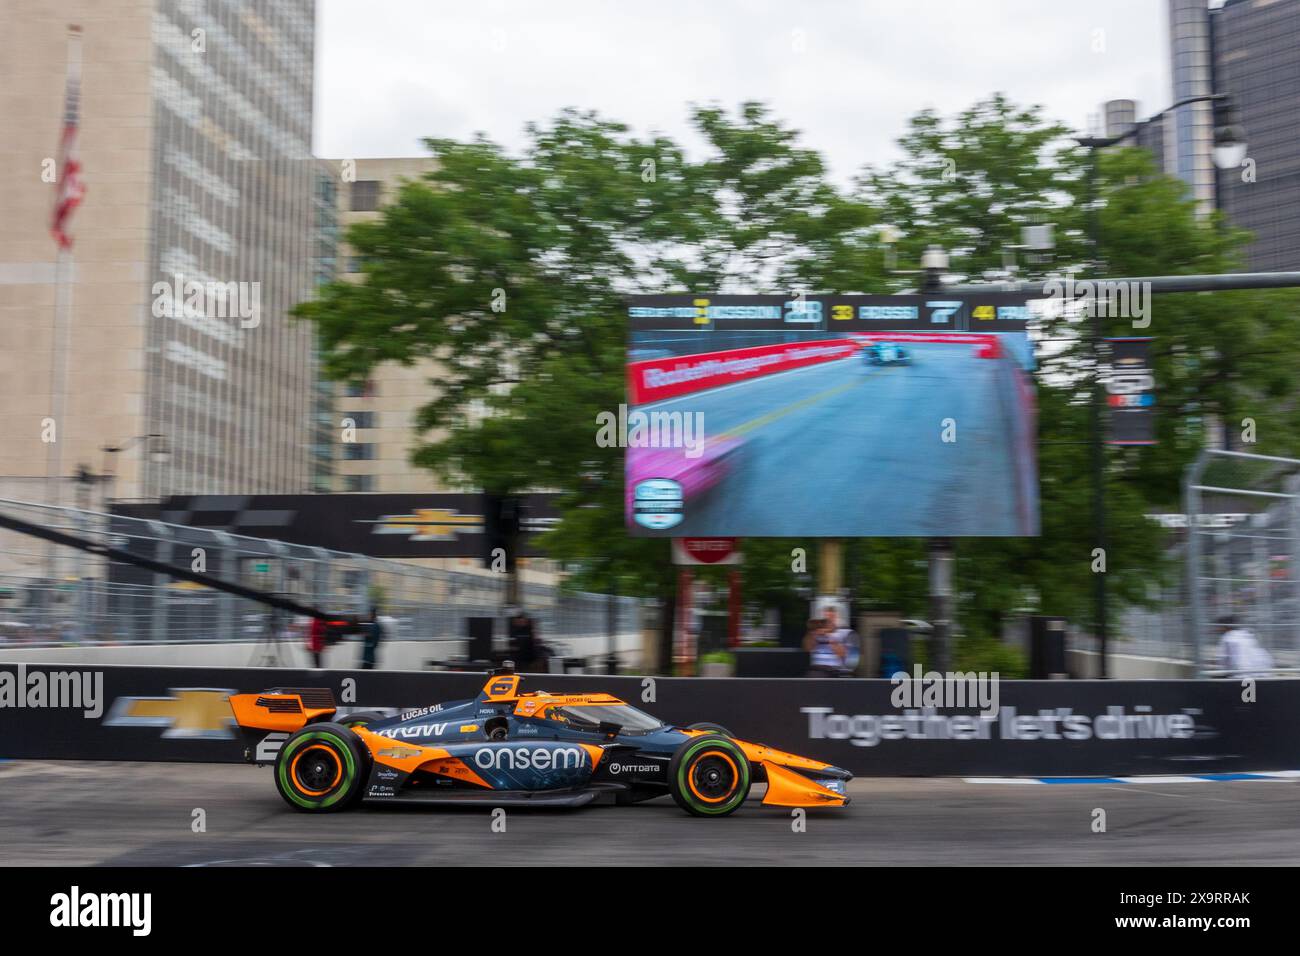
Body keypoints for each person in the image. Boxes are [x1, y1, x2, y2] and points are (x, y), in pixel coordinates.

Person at [360, 605, 385, 670]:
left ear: (372, 614)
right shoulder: (373, 625)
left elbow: (374, 640)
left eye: (369, 614)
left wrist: (367, 635)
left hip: (369, 658)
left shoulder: (375, 625)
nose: (368, 616)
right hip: (367, 658)